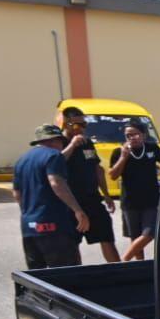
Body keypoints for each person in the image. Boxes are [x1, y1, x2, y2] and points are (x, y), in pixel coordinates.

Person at [11, 124, 90, 270]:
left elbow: (17, 193)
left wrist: (28, 213)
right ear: (55, 141)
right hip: (53, 224)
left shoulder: (22, 160)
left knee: (38, 277)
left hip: (29, 227)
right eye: (61, 142)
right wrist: (78, 210)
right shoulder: (54, 156)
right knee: (66, 274)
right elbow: (56, 183)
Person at [58, 106, 120, 263]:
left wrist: (106, 195)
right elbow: (56, 162)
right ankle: (77, 275)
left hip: (92, 199)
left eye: (84, 124)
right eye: (78, 125)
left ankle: (118, 272)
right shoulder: (59, 142)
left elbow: (97, 169)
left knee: (106, 235)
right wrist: (72, 145)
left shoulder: (87, 143)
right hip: (71, 202)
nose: (82, 129)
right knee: (72, 243)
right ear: (67, 124)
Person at [110, 121, 160, 261]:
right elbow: (113, 175)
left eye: (135, 134)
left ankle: (124, 260)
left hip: (151, 200)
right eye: (128, 135)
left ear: (143, 135)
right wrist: (123, 157)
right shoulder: (119, 152)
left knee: (149, 233)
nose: (132, 138)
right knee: (135, 237)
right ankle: (137, 265)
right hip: (130, 202)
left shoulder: (152, 148)